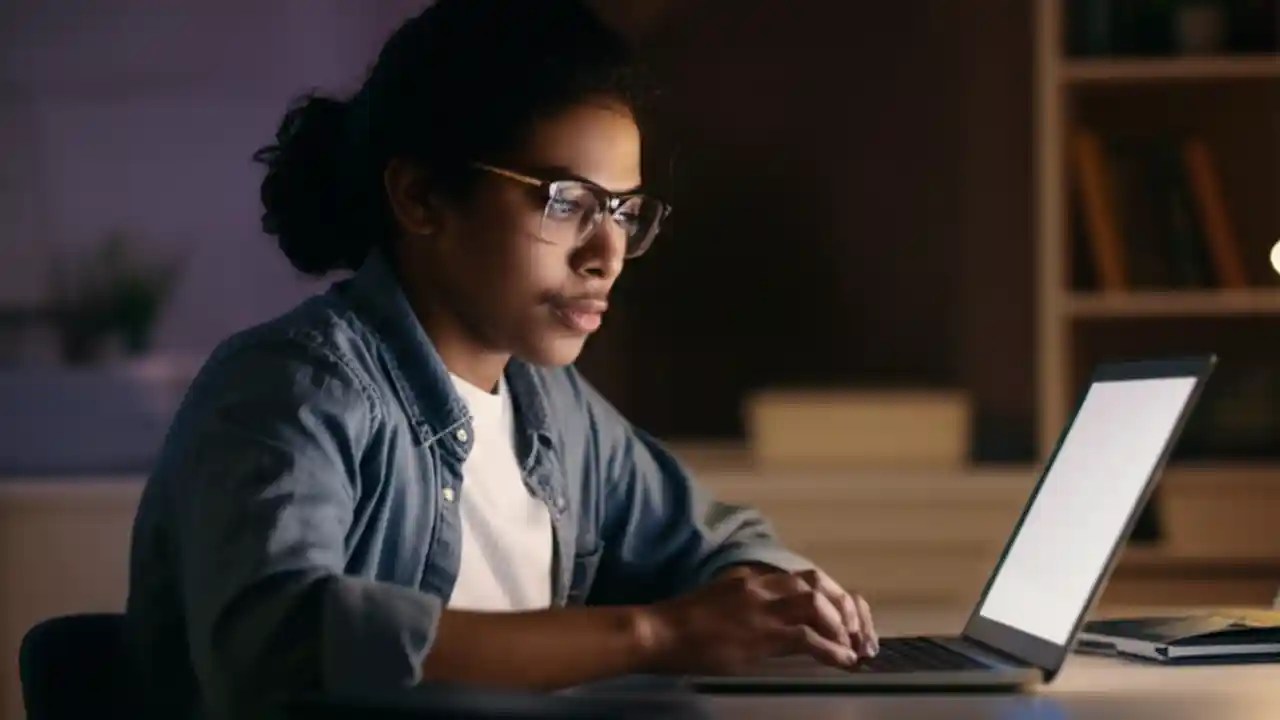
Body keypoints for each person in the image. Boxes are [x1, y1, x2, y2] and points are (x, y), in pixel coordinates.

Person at [125, 1, 877, 717]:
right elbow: (277, 636)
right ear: (421, 197)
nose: (606, 255)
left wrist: (767, 599)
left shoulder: (552, 404)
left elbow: (723, 545)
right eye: (566, 202)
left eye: (623, 211)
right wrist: (654, 635)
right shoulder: (294, 386)